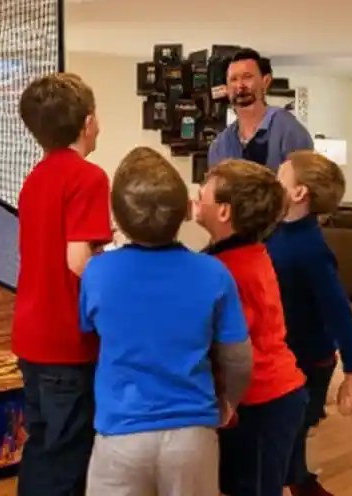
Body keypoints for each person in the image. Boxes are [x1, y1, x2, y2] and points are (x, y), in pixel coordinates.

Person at [80, 147, 254, 496]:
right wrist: (228, 404)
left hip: (121, 434)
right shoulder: (214, 273)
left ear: (118, 214)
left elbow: (89, 331)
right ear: (186, 210)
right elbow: (238, 359)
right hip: (193, 433)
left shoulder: (97, 272)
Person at [11, 72, 112, 496]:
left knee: (45, 444)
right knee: (68, 455)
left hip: (31, 333)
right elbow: (78, 261)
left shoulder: (36, 177)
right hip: (66, 340)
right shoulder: (89, 177)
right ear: (87, 122)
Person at [195, 159, 308, 496]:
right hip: (266, 396)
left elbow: (229, 343)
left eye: (207, 186)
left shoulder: (230, 270)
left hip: (261, 398)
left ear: (225, 212)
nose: (199, 191)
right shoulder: (242, 256)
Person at [267, 151, 352, 496]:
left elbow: (338, 311)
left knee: (292, 435)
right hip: (284, 355)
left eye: (279, 177)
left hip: (310, 361)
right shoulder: (274, 232)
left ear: (299, 193)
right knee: (288, 440)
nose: (271, 182)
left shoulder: (311, 249)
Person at [208, 48, 314, 170]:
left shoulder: (288, 130)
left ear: (266, 81)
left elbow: (305, 183)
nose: (240, 85)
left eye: (247, 77)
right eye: (233, 79)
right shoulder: (220, 145)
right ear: (226, 88)